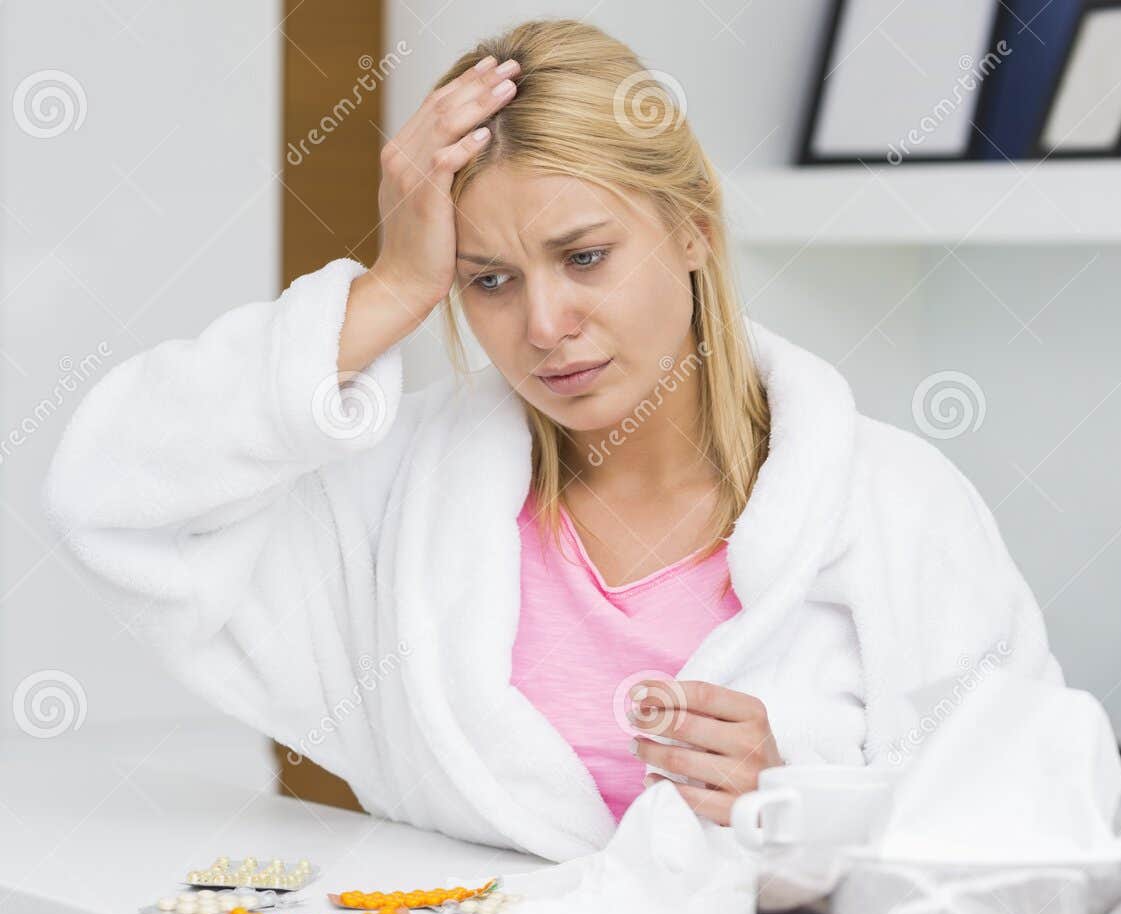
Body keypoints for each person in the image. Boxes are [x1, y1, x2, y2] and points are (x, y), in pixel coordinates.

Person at [40, 18, 1063, 861]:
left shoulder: (891, 508)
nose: (542, 325)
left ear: (693, 229)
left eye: (584, 257)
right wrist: (391, 287)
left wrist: (807, 803)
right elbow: (111, 499)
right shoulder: (393, 511)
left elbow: (1045, 819)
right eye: (488, 279)